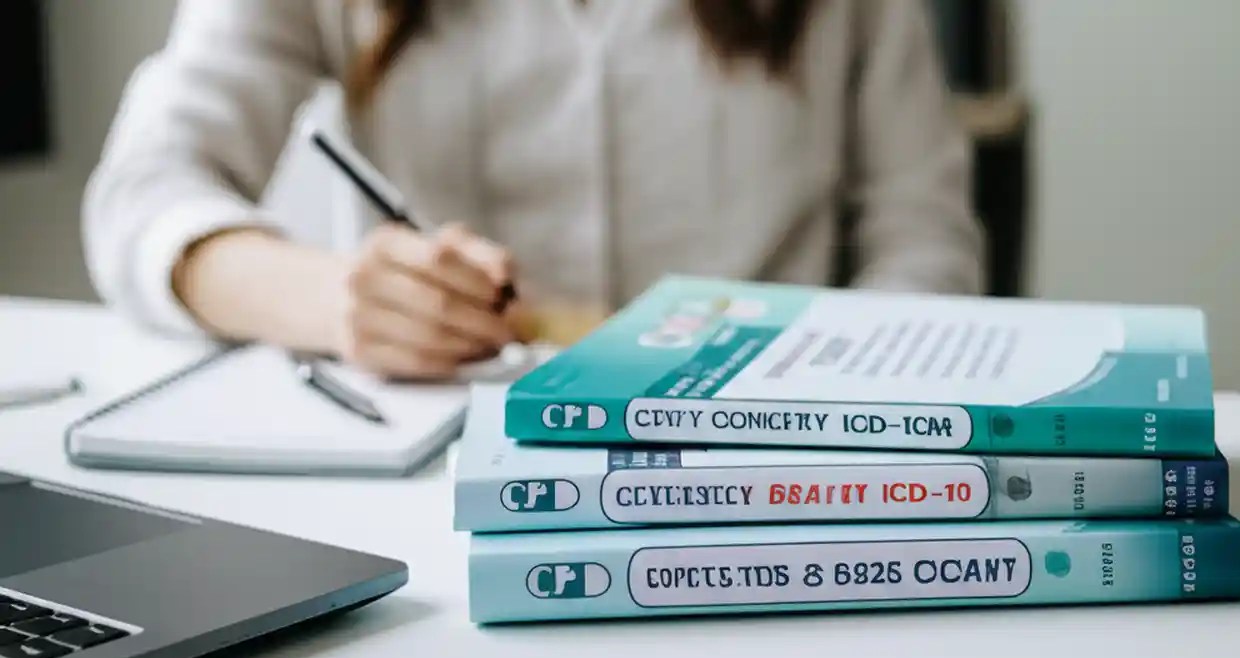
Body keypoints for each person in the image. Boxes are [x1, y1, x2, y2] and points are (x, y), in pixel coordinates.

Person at [83, 0, 986, 381]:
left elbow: (923, 242)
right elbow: (144, 193)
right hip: (437, 469)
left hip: (768, 463)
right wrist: (338, 301)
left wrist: (837, 392)